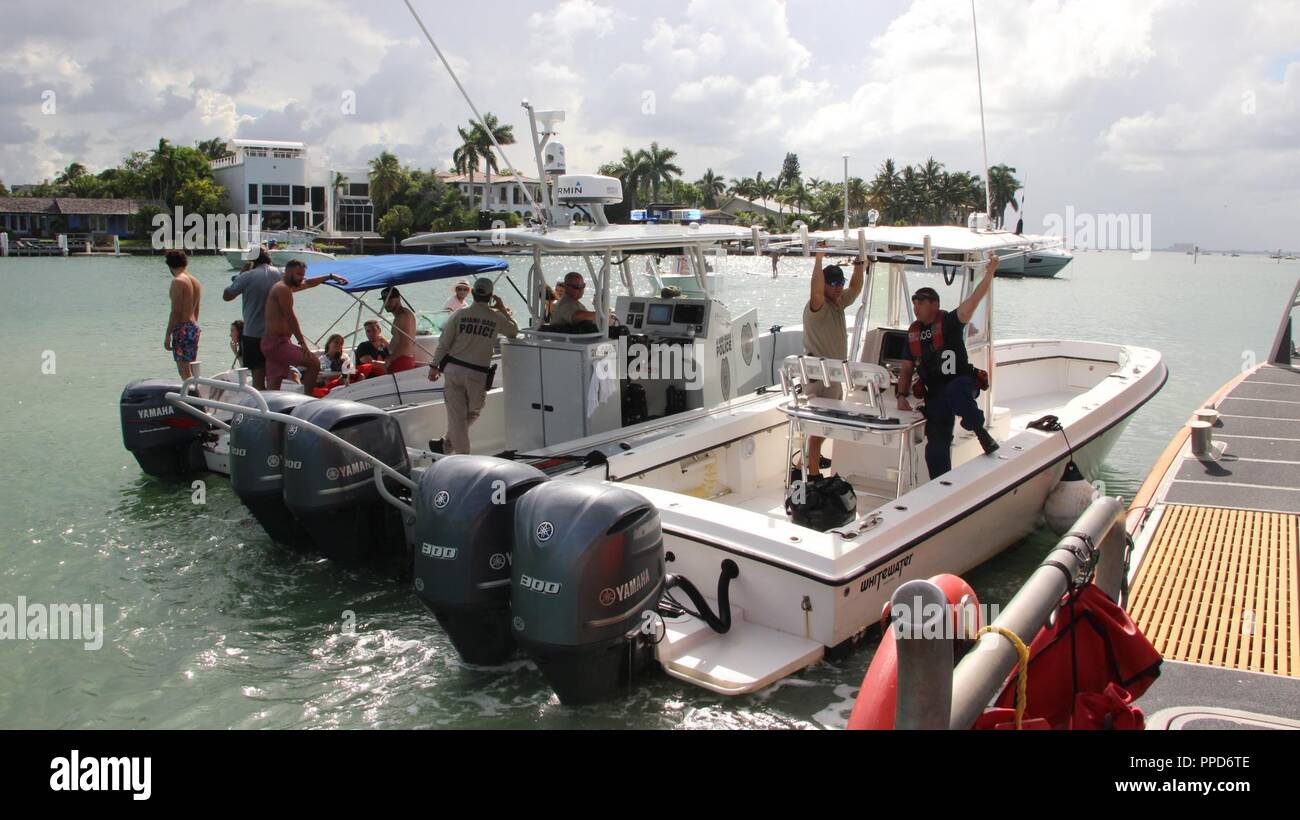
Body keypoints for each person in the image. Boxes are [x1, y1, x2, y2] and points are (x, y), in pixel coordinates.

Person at [897, 254, 1001, 479]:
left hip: (961, 383)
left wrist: (990, 273)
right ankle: (941, 485)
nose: (916, 306)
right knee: (935, 445)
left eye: (921, 302)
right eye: (914, 302)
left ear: (935, 305)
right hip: (935, 393)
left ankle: (980, 432)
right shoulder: (913, 334)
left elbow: (974, 300)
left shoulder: (950, 323)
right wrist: (901, 395)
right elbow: (906, 369)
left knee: (956, 392)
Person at [223, 248, 346, 389]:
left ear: (252, 261)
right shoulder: (280, 275)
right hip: (276, 338)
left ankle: (260, 408)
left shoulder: (247, 276)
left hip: (253, 335)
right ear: (269, 259)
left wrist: (240, 276)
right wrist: (329, 276)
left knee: (258, 380)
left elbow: (227, 296)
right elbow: (307, 283)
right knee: (275, 380)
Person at [428, 277, 519, 454]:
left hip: (453, 370)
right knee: (471, 413)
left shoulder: (459, 314)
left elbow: (444, 343)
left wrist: (434, 366)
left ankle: (446, 445)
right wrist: (502, 309)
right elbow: (514, 332)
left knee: (458, 418)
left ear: (474, 293)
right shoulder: (496, 317)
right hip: (477, 374)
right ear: (491, 296)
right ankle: (462, 457)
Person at [800, 247, 865, 478]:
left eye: (840, 282)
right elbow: (815, 293)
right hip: (820, 376)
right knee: (821, 426)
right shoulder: (818, 306)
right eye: (833, 283)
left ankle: (803, 463)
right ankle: (814, 474)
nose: (838, 287)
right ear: (824, 284)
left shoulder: (838, 303)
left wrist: (860, 265)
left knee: (825, 425)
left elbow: (856, 288)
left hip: (833, 375)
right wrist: (818, 259)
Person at [260, 260, 329, 394]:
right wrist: (302, 343)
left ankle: (270, 411)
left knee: (274, 386)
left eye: (303, 274)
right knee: (314, 363)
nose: (301, 277)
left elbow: (308, 283)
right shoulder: (282, 289)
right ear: (288, 272)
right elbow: (290, 317)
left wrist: (329, 276)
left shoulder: (287, 287)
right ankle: (308, 399)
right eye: (298, 274)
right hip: (276, 344)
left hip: (276, 342)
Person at [163, 250, 202, 380]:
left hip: (182, 328)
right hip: (193, 326)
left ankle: (192, 397)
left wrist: (168, 334)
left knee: (184, 372)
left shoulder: (178, 281)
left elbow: (176, 311)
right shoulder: (195, 281)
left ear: (169, 265)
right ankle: (196, 394)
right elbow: (196, 309)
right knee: (191, 370)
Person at [381, 285, 420, 373]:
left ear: (398, 298)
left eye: (390, 299)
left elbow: (405, 343)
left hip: (401, 361)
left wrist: (389, 359)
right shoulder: (401, 315)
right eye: (384, 300)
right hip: (400, 359)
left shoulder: (402, 316)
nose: (386, 302)